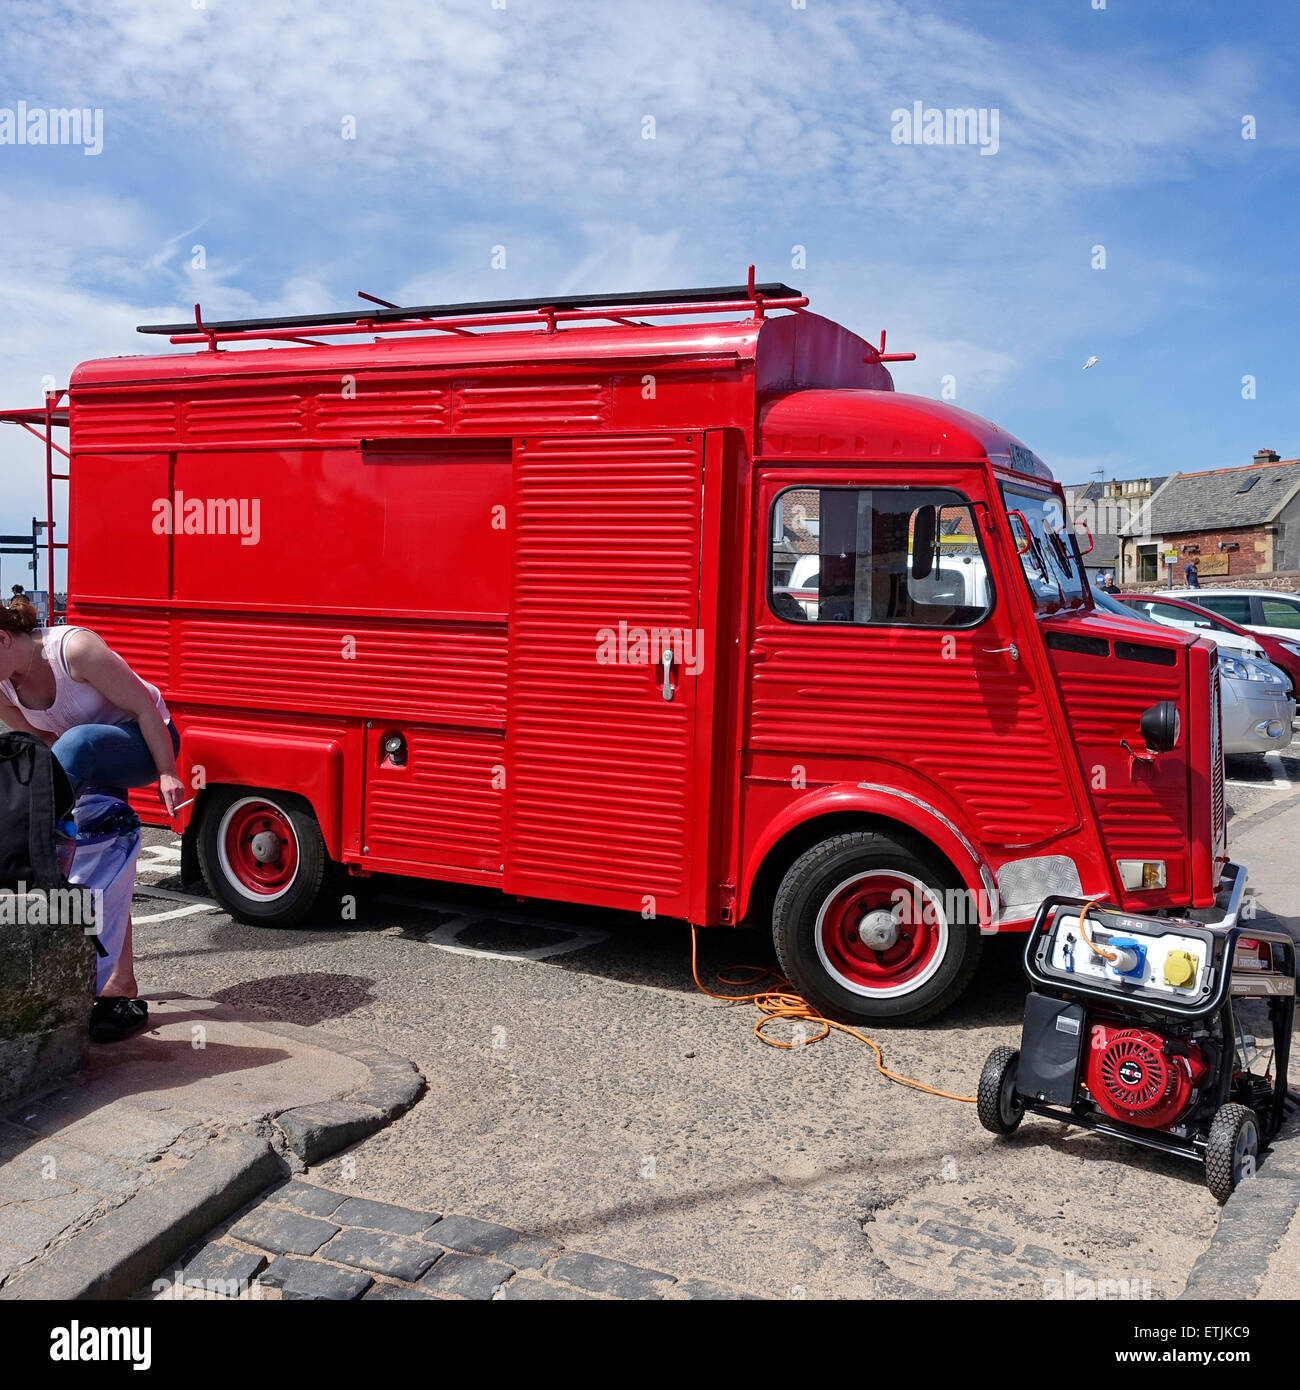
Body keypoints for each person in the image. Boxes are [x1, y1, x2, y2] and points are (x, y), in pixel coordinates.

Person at [0, 607, 183, 1042]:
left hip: (138, 743)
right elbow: (40, 744)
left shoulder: (74, 650)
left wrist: (168, 772)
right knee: (107, 860)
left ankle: (40, 864)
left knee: (79, 742)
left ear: (3, 639)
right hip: (84, 761)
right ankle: (121, 983)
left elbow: (143, 707)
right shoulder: (2, 685)